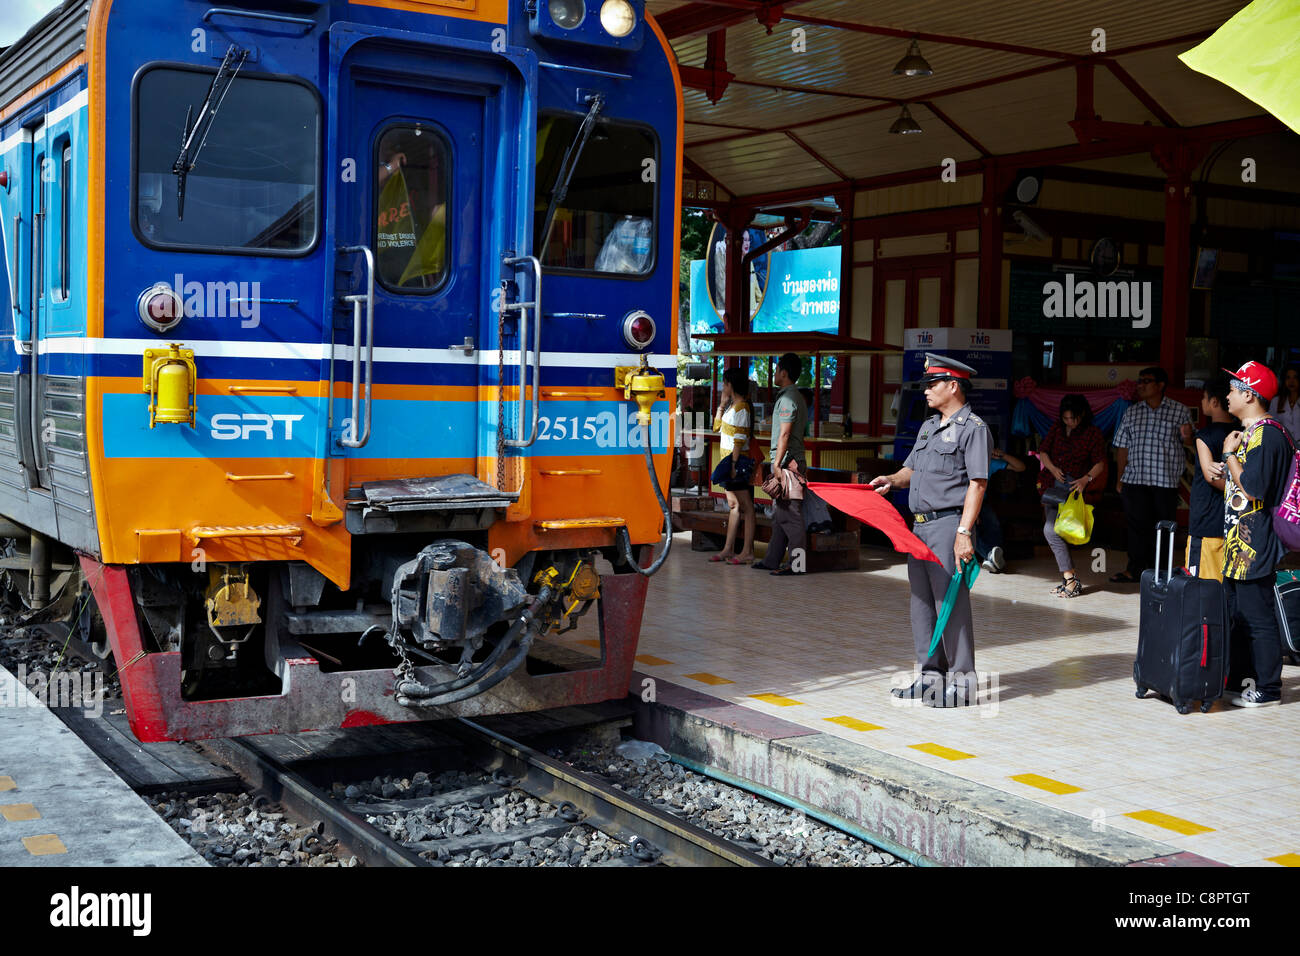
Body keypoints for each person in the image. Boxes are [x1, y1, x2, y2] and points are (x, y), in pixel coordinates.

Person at [869, 353, 992, 707]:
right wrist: (891, 480)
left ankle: (963, 684)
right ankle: (931, 678)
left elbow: (978, 484)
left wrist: (964, 532)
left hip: (948, 526)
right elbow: (910, 470)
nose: (926, 390)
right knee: (921, 604)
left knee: (950, 605)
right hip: (918, 528)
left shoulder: (974, 429)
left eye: (932, 384)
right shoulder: (927, 427)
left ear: (953, 386)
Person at [1221, 361, 1291, 706]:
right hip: (1239, 542)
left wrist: (1230, 455)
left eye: (1234, 389)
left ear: (1249, 395)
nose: (1228, 395)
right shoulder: (1252, 433)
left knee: (1258, 617)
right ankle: (1239, 680)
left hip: (1256, 542)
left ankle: (1268, 688)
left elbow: (1253, 487)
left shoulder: (1268, 433)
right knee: (1237, 615)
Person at [1109, 367, 1194, 584]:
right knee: (1137, 528)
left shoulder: (1180, 411)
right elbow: (1122, 447)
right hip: (1135, 480)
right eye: (1140, 381)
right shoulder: (1132, 412)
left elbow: (1189, 443)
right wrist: (1119, 479)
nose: (1141, 385)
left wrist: (1187, 437)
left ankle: (1161, 573)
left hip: (1164, 481)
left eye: (1146, 381)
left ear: (1161, 385)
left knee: (1164, 528)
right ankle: (1135, 570)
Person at [1038, 394, 1108, 597]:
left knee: (1052, 530)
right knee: (1053, 530)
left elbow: (1100, 463)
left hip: (1073, 487)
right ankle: (1069, 579)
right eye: (1066, 418)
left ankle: (1070, 579)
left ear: (1082, 415)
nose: (1069, 422)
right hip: (1052, 485)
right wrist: (1051, 468)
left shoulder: (1092, 433)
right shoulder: (1057, 428)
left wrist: (1086, 479)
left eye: (1073, 418)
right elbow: (1043, 451)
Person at [753, 353, 809, 576]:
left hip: (787, 464)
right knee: (780, 515)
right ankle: (772, 560)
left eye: (776, 370)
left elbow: (785, 433)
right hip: (789, 462)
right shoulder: (795, 396)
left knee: (792, 517)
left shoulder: (787, 399)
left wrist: (776, 464)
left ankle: (798, 565)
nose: (775, 374)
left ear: (784, 373)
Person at [1187, 374, 1237, 581]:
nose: (1201, 402)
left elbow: (1210, 477)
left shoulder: (1205, 436)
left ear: (1214, 402)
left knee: (1201, 585)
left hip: (1206, 520)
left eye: (1204, 397)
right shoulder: (1241, 432)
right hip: (1235, 521)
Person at [709, 368, 760, 565]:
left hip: (736, 462)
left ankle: (747, 551)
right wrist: (721, 405)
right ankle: (728, 549)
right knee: (735, 505)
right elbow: (716, 427)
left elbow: (739, 440)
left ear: (731, 384)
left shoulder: (742, 408)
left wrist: (733, 464)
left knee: (745, 506)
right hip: (729, 461)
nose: (723, 386)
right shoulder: (733, 406)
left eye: (725, 383)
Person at [978, 448, 1026, 573]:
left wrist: (1004, 455)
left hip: (982, 502)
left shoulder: (989, 462)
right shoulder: (962, 461)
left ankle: (995, 557)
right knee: (970, 529)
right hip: (961, 503)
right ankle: (991, 557)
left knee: (994, 524)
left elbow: (1021, 467)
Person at [1268, 365, 1300, 440]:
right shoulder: (1276, 401)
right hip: (1284, 444)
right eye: (1288, 377)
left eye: (1295, 377)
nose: (1291, 381)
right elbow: (1271, 423)